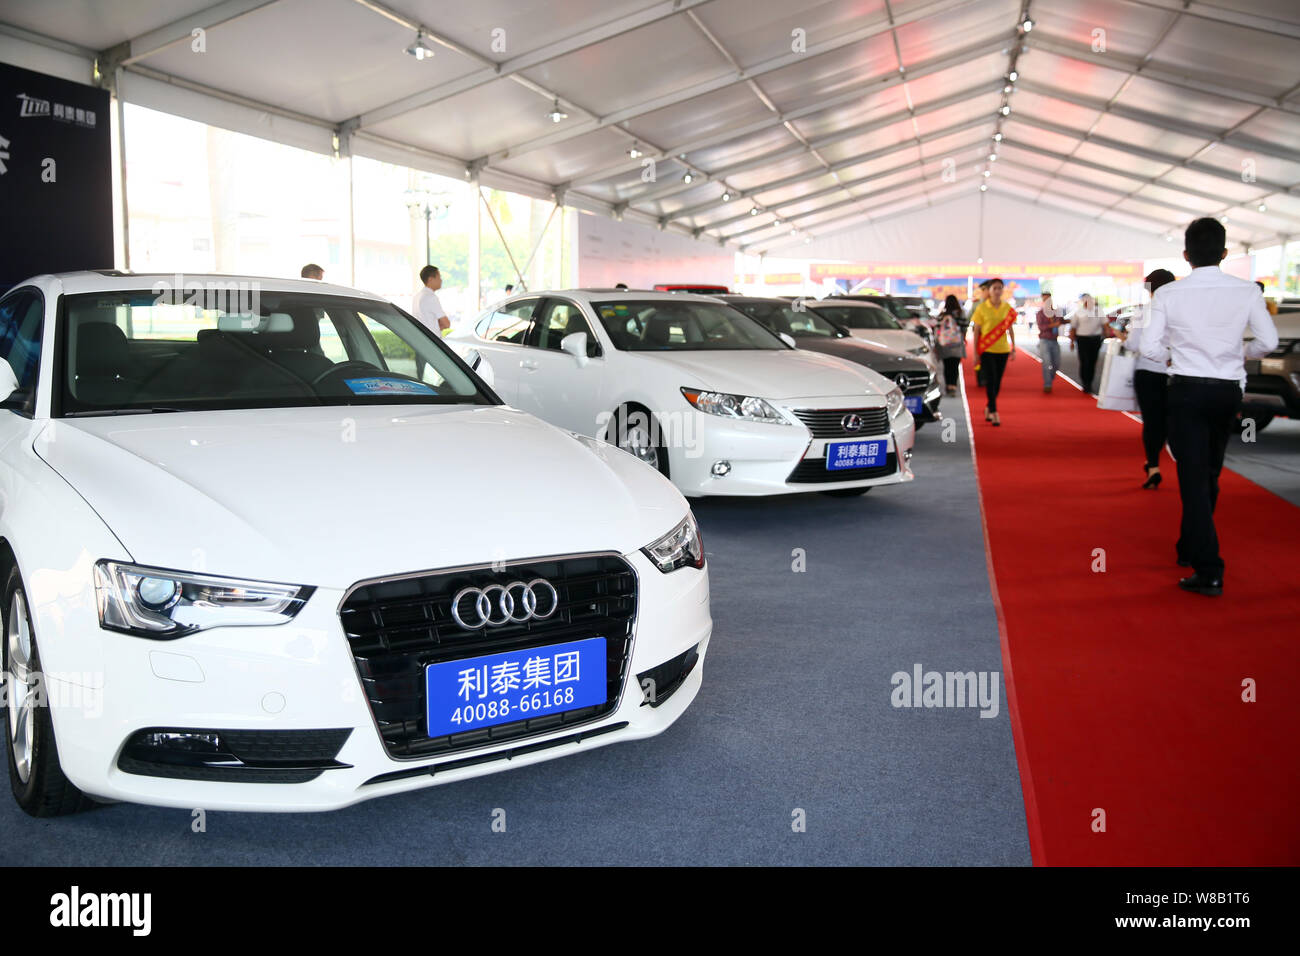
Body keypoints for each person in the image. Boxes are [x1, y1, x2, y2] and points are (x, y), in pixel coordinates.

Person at [1136, 217, 1278, 596]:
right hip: (1228, 390)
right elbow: (1268, 340)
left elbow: (1148, 348)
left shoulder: (1168, 295)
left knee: (1193, 479)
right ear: (1225, 253)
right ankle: (1190, 546)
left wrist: (1173, 357)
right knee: (1210, 474)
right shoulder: (1247, 291)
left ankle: (1210, 567)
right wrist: (1242, 353)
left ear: (1186, 255)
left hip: (1186, 390)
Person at [1123, 269, 1176, 489]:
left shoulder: (1144, 311)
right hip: (1178, 374)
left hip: (1148, 371)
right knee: (1169, 420)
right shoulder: (1183, 311)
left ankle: (1153, 465)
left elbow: (1134, 345)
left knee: (1152, 421)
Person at [969, 278, 1017, 426]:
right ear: (989, 291)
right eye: (994, 288)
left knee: (998, 382)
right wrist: (976, 352)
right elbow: (977, 331)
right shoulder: (982, 308)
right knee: (991, 379)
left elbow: (1010, 329)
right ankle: (994, 411)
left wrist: (1013, 347)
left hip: (1002, 349)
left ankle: (989, 406)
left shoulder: (1007, 308)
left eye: (999, 288)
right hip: (987, 350)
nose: (997, 291)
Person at [1068, 293, 1105, 394]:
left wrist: (1105, 336)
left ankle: (1089, 382)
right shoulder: (1078, 312)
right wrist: (1071, 342)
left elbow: (1105, 324)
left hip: (1095, 339)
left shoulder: (1099, 311)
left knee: (1093, 362)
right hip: (1082, 340)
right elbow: (1073, 328)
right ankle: (1085, 383)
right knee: (1084, 361)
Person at [1035, 292, 1067, 393]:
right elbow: (1041, 327)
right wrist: (1053, 325)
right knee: (1047, 362)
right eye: (1045, 300)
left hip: (1054, 340)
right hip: (1044, 340)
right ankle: (1047, 384)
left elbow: (1063, 321)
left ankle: (1051, 377)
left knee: (1057, 363)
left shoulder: (1056, 312)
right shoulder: (1040, 313)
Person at [935, 294, 967, 395]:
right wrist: (963, 338)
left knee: (947, 365)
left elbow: (937, 327)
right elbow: (964, 327)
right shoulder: (960, 314)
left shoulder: (942, 315)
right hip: (957, 343)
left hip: (945, 344)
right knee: (955, 365)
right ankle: (953, 385)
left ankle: (948, 385)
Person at [414, 265, 450, 337]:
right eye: (439, 277)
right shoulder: (431, 297)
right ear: (430, 279)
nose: (441, 280)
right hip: (433, 340)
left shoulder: (416, 297)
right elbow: (446, 323)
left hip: (421, 338)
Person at [969, 279, 991, 387]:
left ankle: (989, 377)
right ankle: (981, 377)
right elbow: (969, 318)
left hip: (992, 335)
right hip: (980, 334)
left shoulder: (997, 304)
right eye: (983, 289)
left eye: (985, 289)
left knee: (990, 357)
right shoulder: (976, 303)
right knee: (979, 356)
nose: (984, 292)